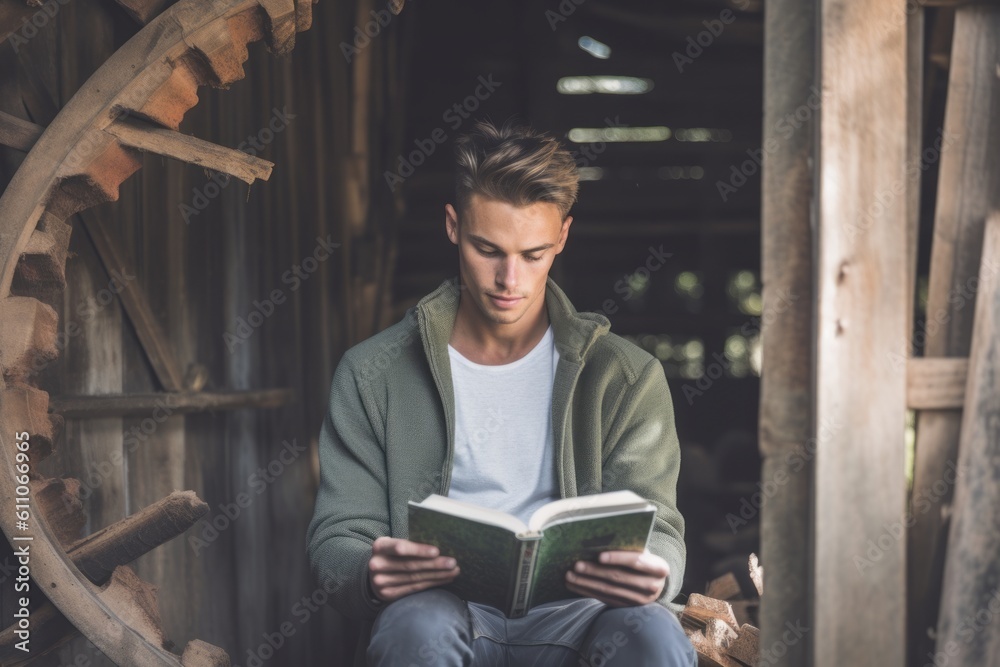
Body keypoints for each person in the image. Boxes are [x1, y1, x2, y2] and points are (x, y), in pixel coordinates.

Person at [306, 119, 695, 666]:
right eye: (487, 249)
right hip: (445, 612)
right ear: (452, 226)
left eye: (533, 254)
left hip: (585, 616)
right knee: (415, 627)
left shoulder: (626, 377)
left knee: (653, 636)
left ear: (562, 237)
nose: (509, 279)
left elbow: (661, 528)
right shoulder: (372, 374)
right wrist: (370, 570)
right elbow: (336, 538)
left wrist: (656, 566)